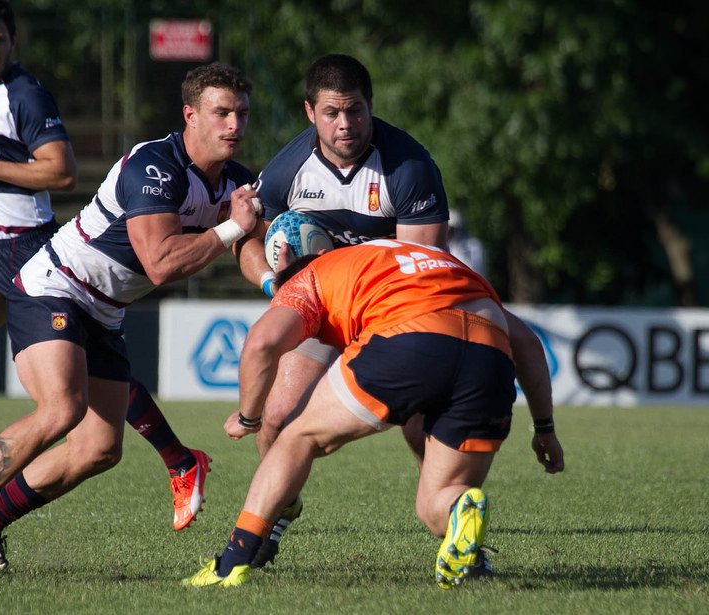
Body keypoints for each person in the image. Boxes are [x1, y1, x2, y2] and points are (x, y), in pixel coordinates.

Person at [0, 62, 259, 572]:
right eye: (221, 113)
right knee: (62, 408)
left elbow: (247, 241)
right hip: (53, 287)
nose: (233, 125)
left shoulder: (234, 180)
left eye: (240, 113)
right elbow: (162, 263)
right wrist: (234, 230)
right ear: (190, 116)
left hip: (103, 310)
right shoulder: (155, 166)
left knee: (101, 448)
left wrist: (274, 276)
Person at [233, 54, 554, 567]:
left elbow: (426, 269)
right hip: (328, 301)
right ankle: (276, 516)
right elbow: (249, 238)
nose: (346, 125)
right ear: (309, 112)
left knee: (419, 423)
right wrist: (276, 279)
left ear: (371, 107)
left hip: (399, 311)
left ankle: (458, 536)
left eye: (356, 111)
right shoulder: (285, 172)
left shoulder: (408, 167)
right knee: (277, 418)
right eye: (333, 113)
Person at [183, 240, 565, 588]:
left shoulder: (309, 277)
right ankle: (458, 508)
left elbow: (263, 342)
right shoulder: (422, 259)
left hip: (410, 335)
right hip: (489, 352)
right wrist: (544, 429)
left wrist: (248, 417)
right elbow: (529, 345)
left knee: (297, 436)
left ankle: (230, 564)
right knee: (435, 502)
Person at [447, 210, 487, 277]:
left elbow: (476, 269)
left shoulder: (473, 246)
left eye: (451, 229)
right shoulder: (445, 248)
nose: (449, 233)